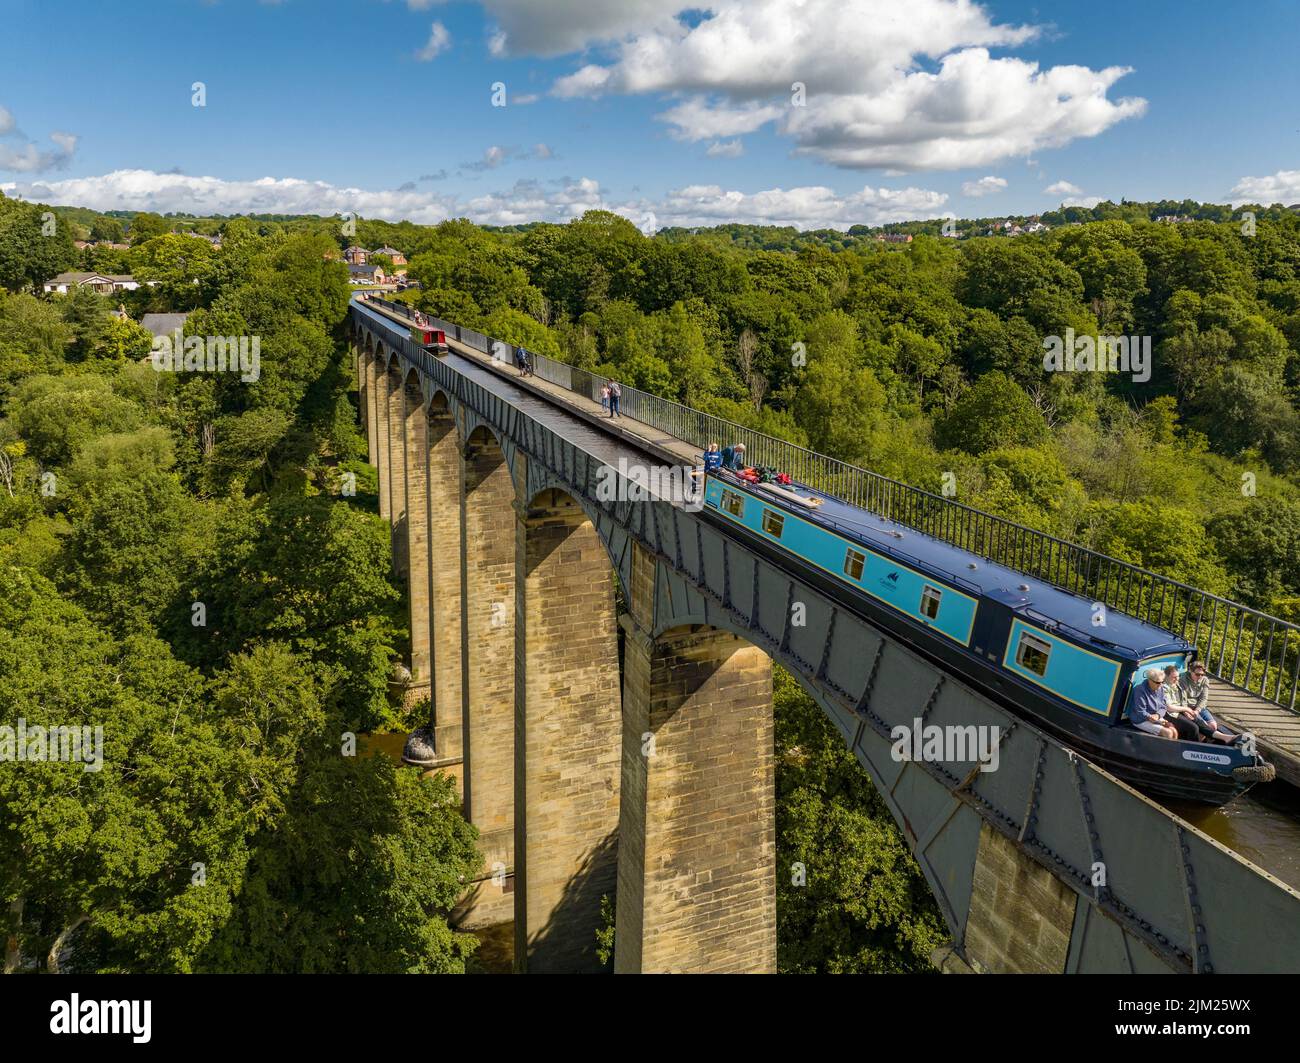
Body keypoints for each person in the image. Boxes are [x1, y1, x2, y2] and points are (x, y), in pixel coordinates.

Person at [1179, 660, 1242, 745]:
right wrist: (1187, 711)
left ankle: (1204, 743)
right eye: (1197, 674)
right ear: (1190, 671)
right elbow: (1182, 699)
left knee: (1213, 726)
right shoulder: (1183, 679)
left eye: (1202, 674)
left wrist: (1197, 710)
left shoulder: (1204, 680)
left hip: (1199, 707)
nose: (1200, 676)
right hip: (1188, 707)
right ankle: (1198, 745)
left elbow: (1204, 698)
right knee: (1203, 726)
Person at [1126, 667, 1178, 739]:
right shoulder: (1139, 690)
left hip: (1155, 717)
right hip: (1140, 720)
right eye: (1157, 682)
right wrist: (1153, 718)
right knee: (1168, 732)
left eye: (1162, 682)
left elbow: (1163, 706)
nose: (1160, 685)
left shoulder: (1160, 688)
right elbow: (1140, 712)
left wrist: (1158, 715)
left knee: (1173, 730)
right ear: (1149, 680)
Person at [1161, 664, 1201, 741]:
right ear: (1166, 676)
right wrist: (1186, 709)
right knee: (1193, 728)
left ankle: (1221, 737)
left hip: (1179, 710)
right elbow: (1169, 708)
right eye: (1174, 677)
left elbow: (1183, 700)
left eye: (1178, 676)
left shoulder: (1176, 685)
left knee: (1199, 723)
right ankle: (1192, 749)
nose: (1177, 679)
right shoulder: (1164, 687)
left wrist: (1186, 711)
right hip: (1170, 714)